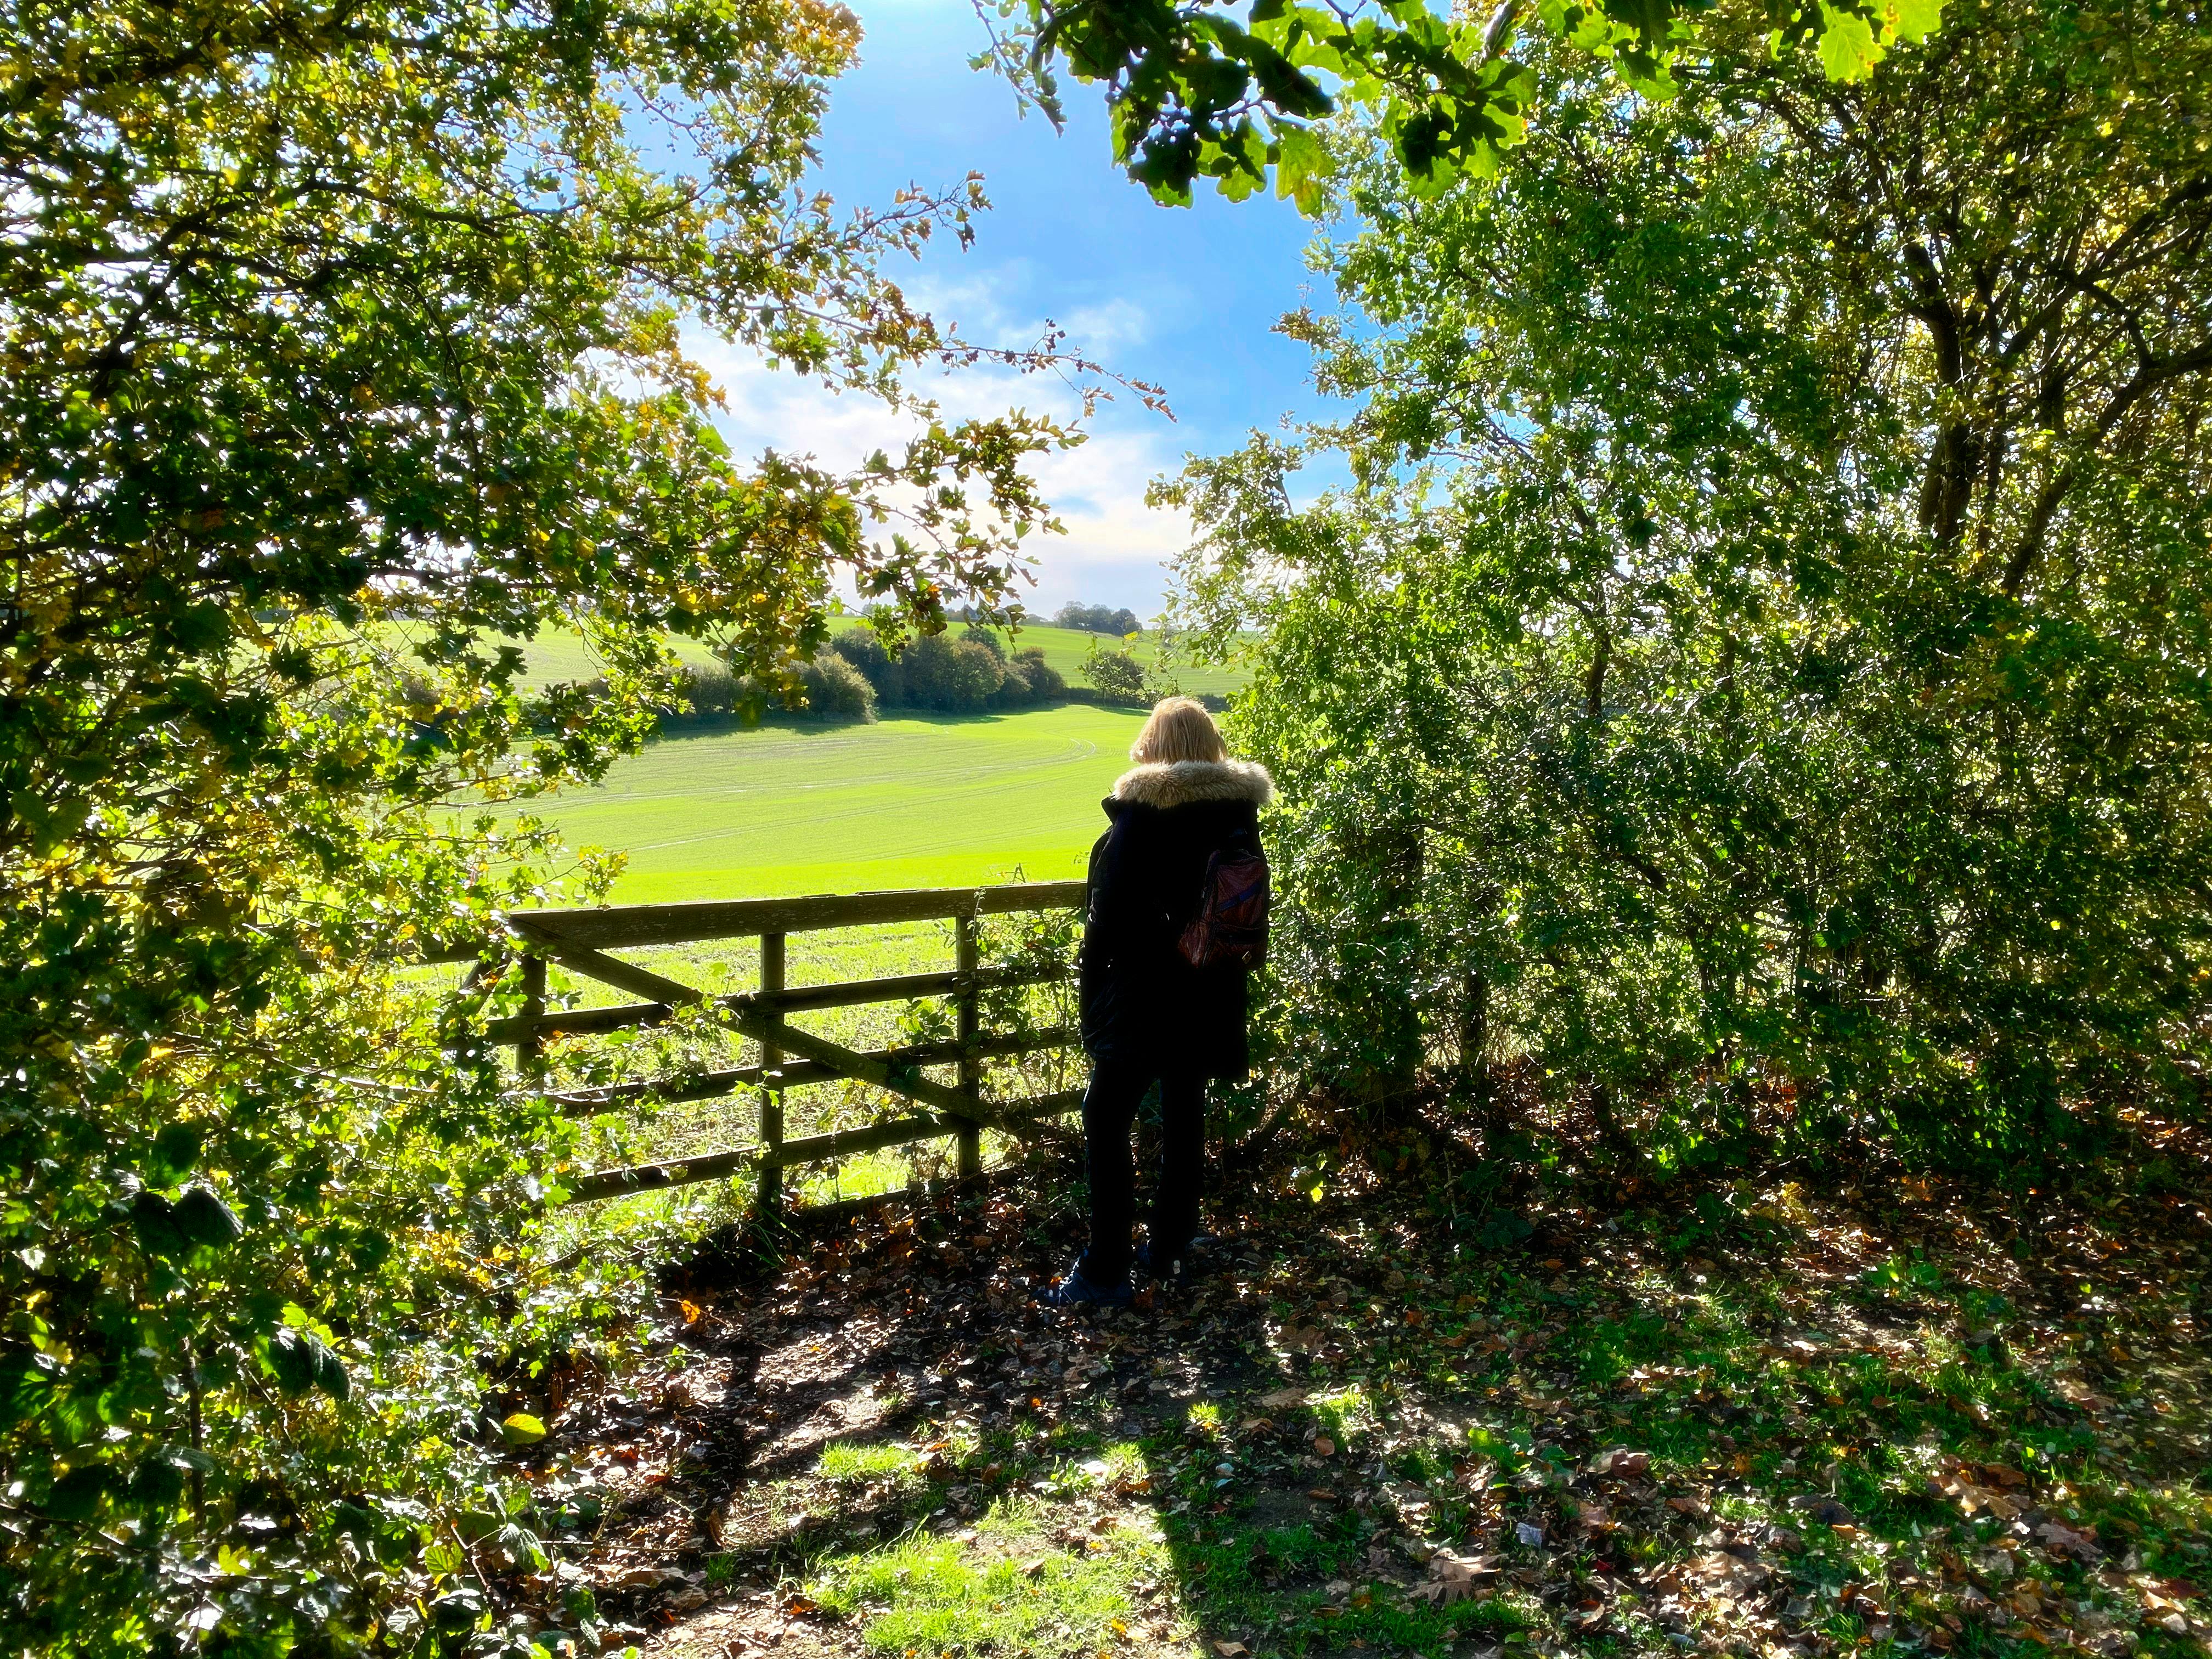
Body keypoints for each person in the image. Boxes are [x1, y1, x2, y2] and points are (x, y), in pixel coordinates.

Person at [1044, 697, 1272, 1308]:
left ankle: (1104, 1269)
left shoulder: (1142, 816)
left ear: (1153, 743)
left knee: (1105, 1116)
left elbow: (1108, 925)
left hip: (1143, 999)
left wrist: (1093, 1006)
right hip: (1212, 989)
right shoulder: (1238, 816)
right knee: (1183, 1111)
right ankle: (1170, 1243)